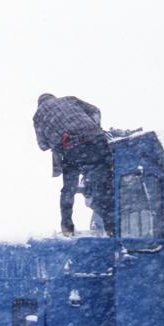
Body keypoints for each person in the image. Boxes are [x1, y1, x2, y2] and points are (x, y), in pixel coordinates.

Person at [33, 93, 115, 236]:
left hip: (72, 147)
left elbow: (43, 145)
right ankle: (111, 227)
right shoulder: (69, 99)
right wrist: (93, 127)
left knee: (69, 189)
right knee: (105, 184)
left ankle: (67, 227)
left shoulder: (38, 115)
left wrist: (55, 136)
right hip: (97, 140)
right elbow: (95, 110)